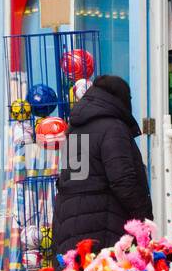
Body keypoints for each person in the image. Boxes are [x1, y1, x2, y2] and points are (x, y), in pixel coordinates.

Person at [52, 74, 153, 257]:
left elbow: (75, 177)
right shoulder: (113, 127)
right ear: (120, 99)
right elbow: (123, 181)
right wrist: (143, 218)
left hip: (69, 219)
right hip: (102, 223)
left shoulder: (76, 127)